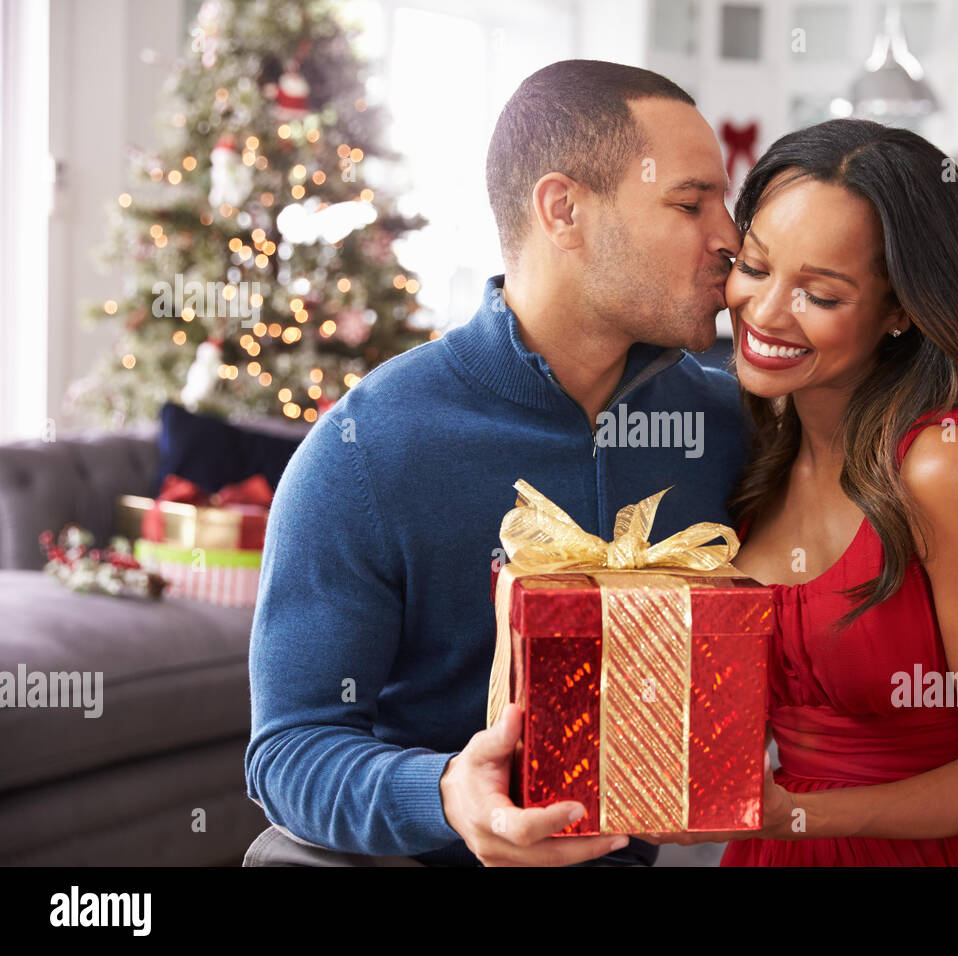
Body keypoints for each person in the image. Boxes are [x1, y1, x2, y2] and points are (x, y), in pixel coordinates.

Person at [242, 59, 746, 867]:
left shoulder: (728, 428)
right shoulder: (367, 448)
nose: (730, 238)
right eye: (691, 204)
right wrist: (445, 793)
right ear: (564, 210)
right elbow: (288, 753)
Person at [641, 118, 958, 866]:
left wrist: (795, 813)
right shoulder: (750, 453)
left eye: (820, 294)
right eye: (756, 268)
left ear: (900, 310)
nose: (764, 315)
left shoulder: (942, 468)